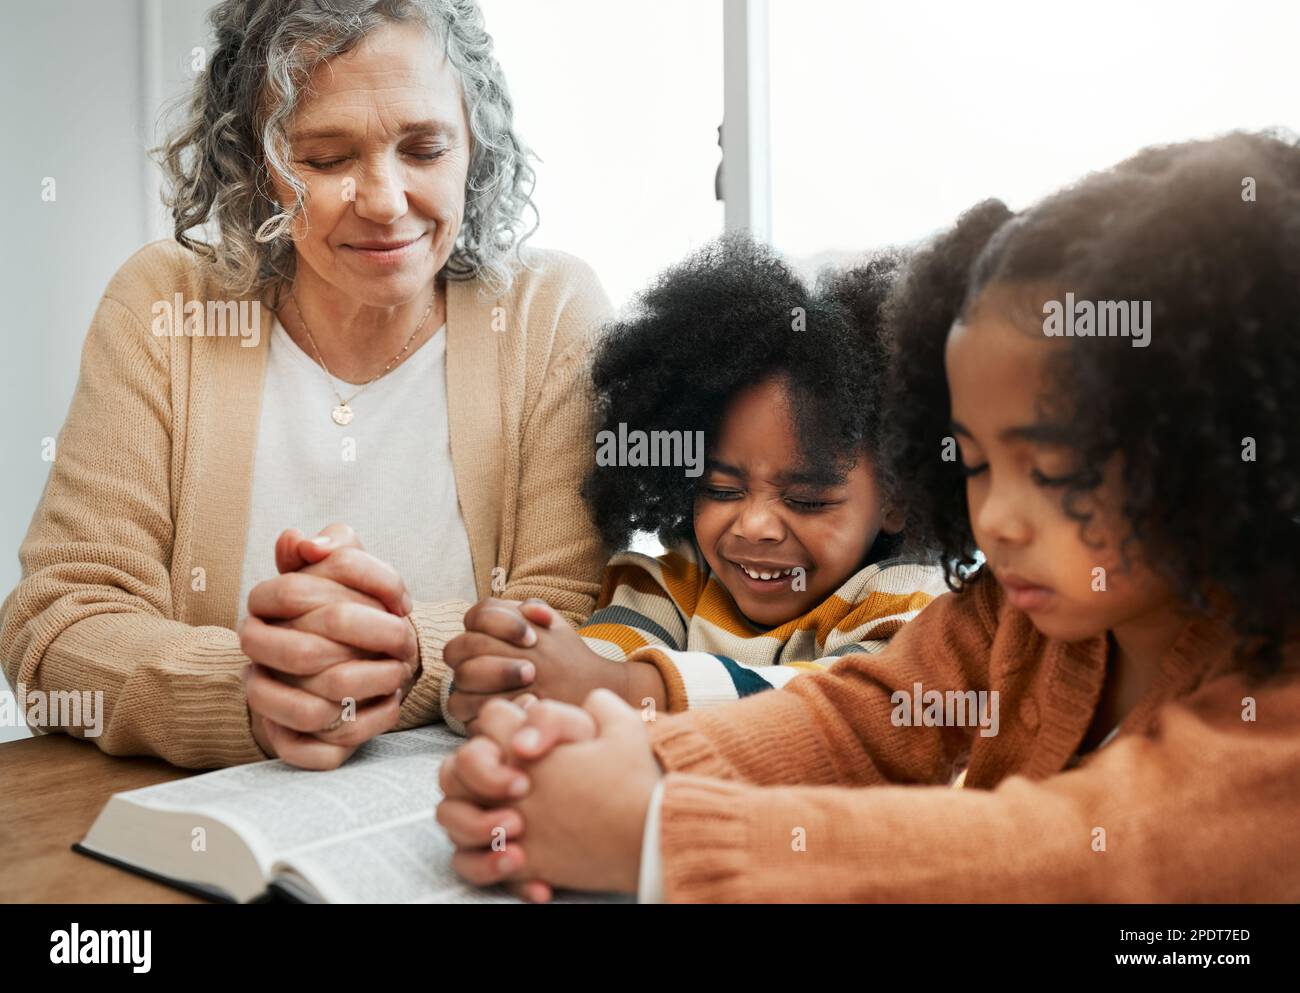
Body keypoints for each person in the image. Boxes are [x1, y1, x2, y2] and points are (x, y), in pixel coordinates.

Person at [437, 131, 1300, 902]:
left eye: (1056, 467)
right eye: (976, 461)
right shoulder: (1012, 619)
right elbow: (860, 716)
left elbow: (1079, 851)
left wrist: (655, 834)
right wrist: (634, 762)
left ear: (1218, 446)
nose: (998, 518)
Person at [0, 0, 609, 770]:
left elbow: (574, 618)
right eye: (326, 159)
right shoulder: (166, 305)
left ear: (475, 150)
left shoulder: (547, 312)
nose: (386, 202)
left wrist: (406, 658)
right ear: (254, 165)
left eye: (425, 149)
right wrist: (252, 691)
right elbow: (58, 621)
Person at [441, 235, 947, 731]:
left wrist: (623, 688)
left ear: (896, 497)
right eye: (722, 490)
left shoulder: (911, 602)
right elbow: (600, 655)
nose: (755, 526)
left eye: (805, 500)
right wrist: (517, 674)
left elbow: (840, 704)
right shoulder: (677, 583)